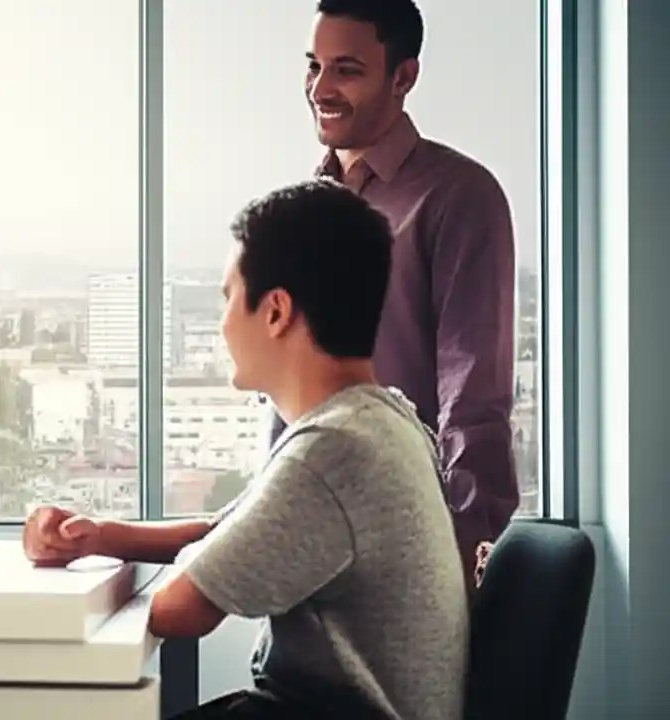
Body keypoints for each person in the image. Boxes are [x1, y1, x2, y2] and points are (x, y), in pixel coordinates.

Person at [24, 181, 469, 720]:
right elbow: (225, 532)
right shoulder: (381, 418)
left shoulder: (332, 450)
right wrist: (98, 536)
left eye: (229, 297)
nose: (222, 324)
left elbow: (178, 611)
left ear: (276, 311)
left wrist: (193, 564)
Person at [296, 0, 519, 583]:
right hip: (306, 544)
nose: (321, 89)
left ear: (404, 77)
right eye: (313, 66)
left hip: (405, 560)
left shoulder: (459, 196)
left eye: (346, 69)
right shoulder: (306, 206)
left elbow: (474, 401)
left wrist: (460, 572)